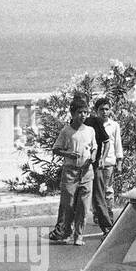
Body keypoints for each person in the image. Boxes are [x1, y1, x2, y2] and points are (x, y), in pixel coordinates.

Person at [50, 98, 97, 246]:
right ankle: (67, 231)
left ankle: (79, 235)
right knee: (68, 204)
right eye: (79, 112)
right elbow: (56, 149)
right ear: (72, 113)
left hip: (86, 172)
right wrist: (68, 154)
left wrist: (93, 157)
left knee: (83, 205)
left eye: (85, 112)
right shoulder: (67, 131)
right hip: (70, 172)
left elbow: (94, 147)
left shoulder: (90, 130)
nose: (82, 115)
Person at [85, 96, 120, 234]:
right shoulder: (90, 123)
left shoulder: (112, 125)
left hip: (107, 162)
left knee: (107, 191)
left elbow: (115, 142)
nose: (105, 112)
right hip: (92, 163)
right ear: (96, 110)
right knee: (96, 192)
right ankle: (98, 216)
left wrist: (119, 160)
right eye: (101, 109)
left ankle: (108, 219)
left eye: (107, 109)